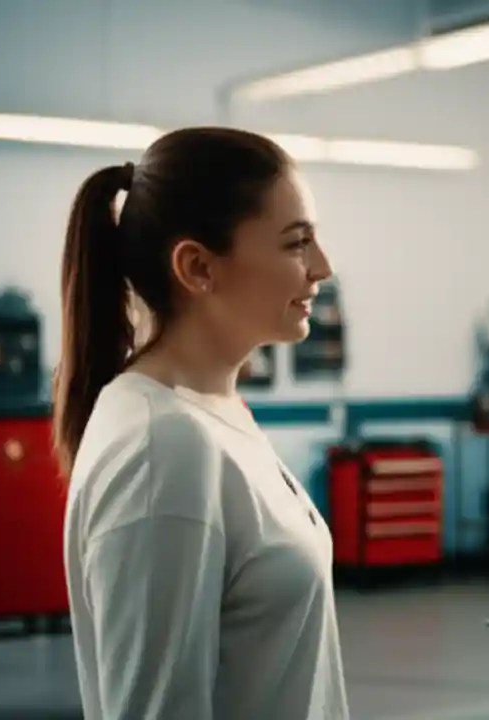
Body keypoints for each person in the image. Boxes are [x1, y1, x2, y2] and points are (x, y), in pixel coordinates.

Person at [54, 127, 348, 719]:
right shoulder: (162, 447)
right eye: (296, 243)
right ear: (197, 267)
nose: (323, 267)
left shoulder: (213, 415)